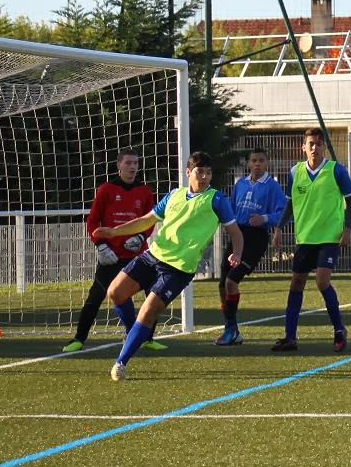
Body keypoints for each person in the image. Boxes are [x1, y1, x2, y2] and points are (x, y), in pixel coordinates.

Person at [96, 152, 243, 381]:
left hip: (178, 269)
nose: (204, 177)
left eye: (208, 172)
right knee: (115, 292)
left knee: (147, 310)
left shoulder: (216, 200)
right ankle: (135, 333)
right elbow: (146, 220)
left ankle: (121, 363)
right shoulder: (174, 195)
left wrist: (237, 253)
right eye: (199, 172)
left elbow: (235, 231)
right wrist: (114, 232)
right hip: (152, 256)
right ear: (188, 172)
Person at [64, 148, 165, 353]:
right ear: (119, 165)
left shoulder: (145, 191)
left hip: (138, 255)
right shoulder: (106, 189)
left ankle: (147, 338)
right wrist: (100, 245)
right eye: (128, 163)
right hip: (111, 255)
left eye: (135, 163)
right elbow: (92, 220)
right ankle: (79, 339)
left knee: (153, 294)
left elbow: (150, 220)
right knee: (95, 296)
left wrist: (140, 236)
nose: (132, 167)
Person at [271, 128, 351, 353]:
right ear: (303, 147)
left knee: (321, 281)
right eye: (310, 144)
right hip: (305, 238)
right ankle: (290, 337)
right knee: (296, 283)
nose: (314, 148)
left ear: (323, 147)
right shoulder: (295, 172)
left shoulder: (336, 170)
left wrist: (347, 229)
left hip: (329, 237)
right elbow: (290, 203)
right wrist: (279, 229)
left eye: (318, 144)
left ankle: (339, 330)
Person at [215, 147, 286, 346]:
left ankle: (231, 330)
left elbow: (282, 213)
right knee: (222, 284)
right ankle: (231, 328)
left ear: (267, 163)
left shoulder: (272, 186)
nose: (257, 164)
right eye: (254, 160)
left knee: (231, 281)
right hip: (238, 235)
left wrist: (264, 218)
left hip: (256, 239)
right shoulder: (241, 184)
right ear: (248, 163)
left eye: (261, 161)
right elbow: (231, 208)